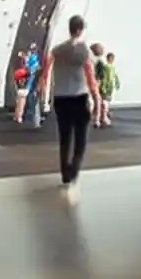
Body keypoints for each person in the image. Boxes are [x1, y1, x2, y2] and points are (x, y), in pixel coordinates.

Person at [42, 16, 100, 187]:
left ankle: (64, 172)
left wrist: (44, 86)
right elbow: (90, 76)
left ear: (70, 28)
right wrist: (96, 97)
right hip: (79, 97)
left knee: (65, 137)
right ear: (81, 29)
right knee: (81, 138)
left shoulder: (57, 50)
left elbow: (47, 67)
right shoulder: (85, 51)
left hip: (61, 97)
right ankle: (74, 168)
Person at [97, 51, 119, 127]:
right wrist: (104, 86)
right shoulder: (106, 67)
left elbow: (114, 76)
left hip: (109, 87)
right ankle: (104, 117)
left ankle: (103, 116)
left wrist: (116, 82)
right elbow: (105, 77)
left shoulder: (111, 67)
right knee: (105, 102)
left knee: (105, 102)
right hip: (106, 87)